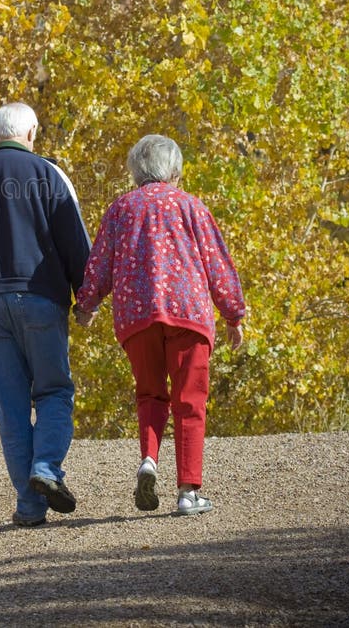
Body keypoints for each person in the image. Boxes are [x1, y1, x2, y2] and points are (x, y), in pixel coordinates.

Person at [75, 134, 245, 516]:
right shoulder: (191, 206)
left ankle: (149, 460)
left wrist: (86, 305)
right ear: (175, 170)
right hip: (187, 313)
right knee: (190, 402)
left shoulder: (120, 209)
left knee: (150, 394)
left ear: (136, 172)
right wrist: (233, 313)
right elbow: (217, 264)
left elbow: (99, 265)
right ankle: (187, 493)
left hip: (137, 316)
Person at [0, 102, 91, 528]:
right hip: (39, 296)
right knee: (53, 392)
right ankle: (46, 468)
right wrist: (87, 297)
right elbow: (73, 238)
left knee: (10, 410)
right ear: (32, 132)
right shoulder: (49, 174)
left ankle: (29, 509)